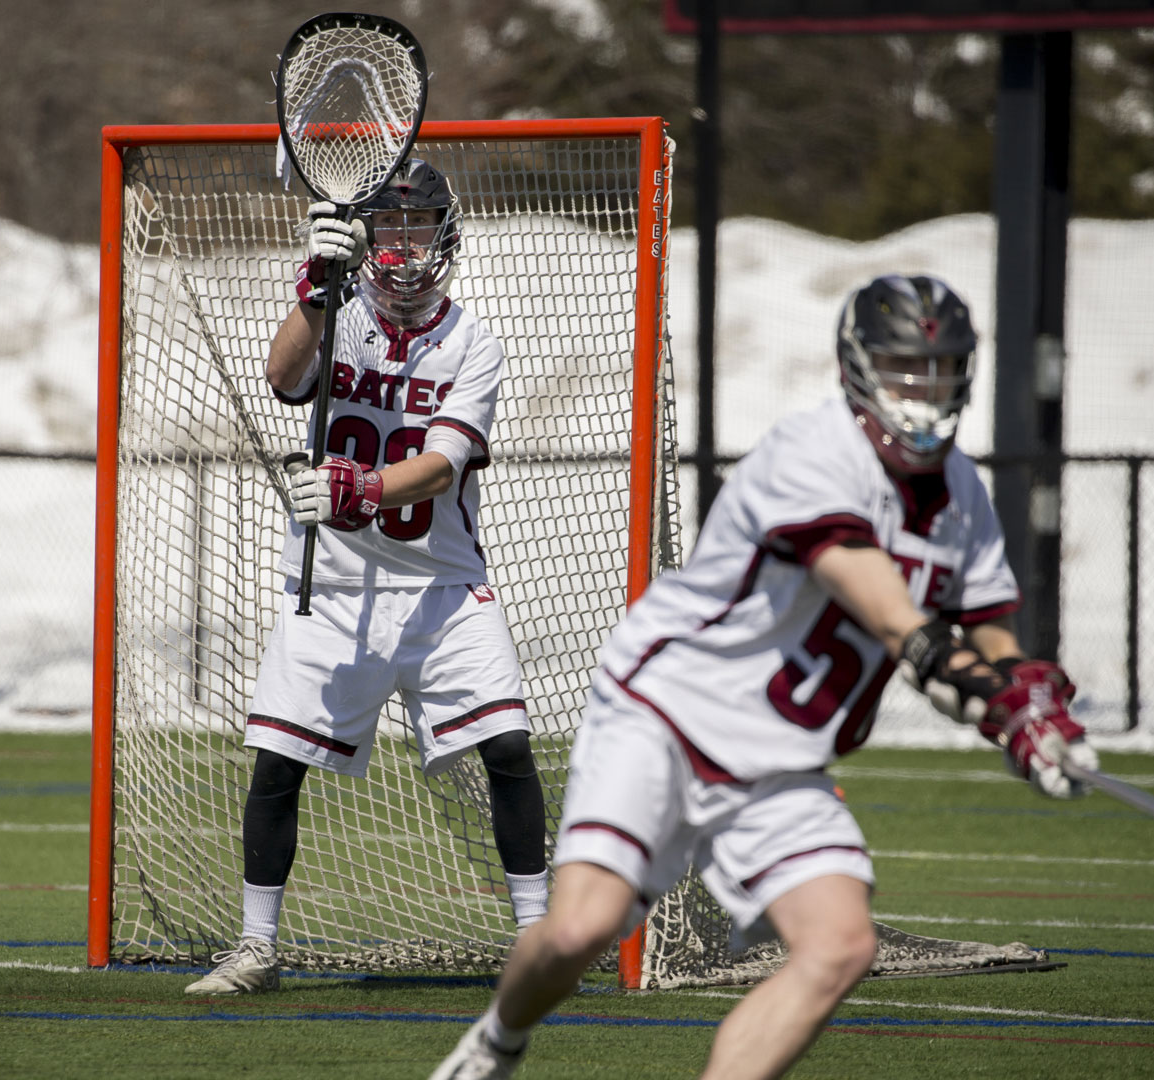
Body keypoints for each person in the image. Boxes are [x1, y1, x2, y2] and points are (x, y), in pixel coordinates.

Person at [429, 273, 1100, 1079]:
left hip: (777, 757)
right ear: (857, 369)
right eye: (904, 371)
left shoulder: (963, 494)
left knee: (841, 945)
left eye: (941, 372)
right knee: (580, 930)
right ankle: (496, 1041)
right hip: (670, 712)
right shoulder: (814, 450)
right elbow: (877, 599)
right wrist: (957, 668)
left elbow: (991, 633)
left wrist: (1030, 711)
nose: (924, 394)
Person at [185, 159, 549, 995]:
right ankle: (256, 948)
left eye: (417, 226)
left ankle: (537, 939)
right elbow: (282, 377)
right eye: (388, 227)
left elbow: (443, 465)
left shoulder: (473, 343)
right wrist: (314, 289)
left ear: (444, 236)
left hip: (442, 591)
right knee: (277, 763)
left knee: (508, 749)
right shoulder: (339, 318)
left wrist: (363, 487)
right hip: (335, 588)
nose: (401, 243)